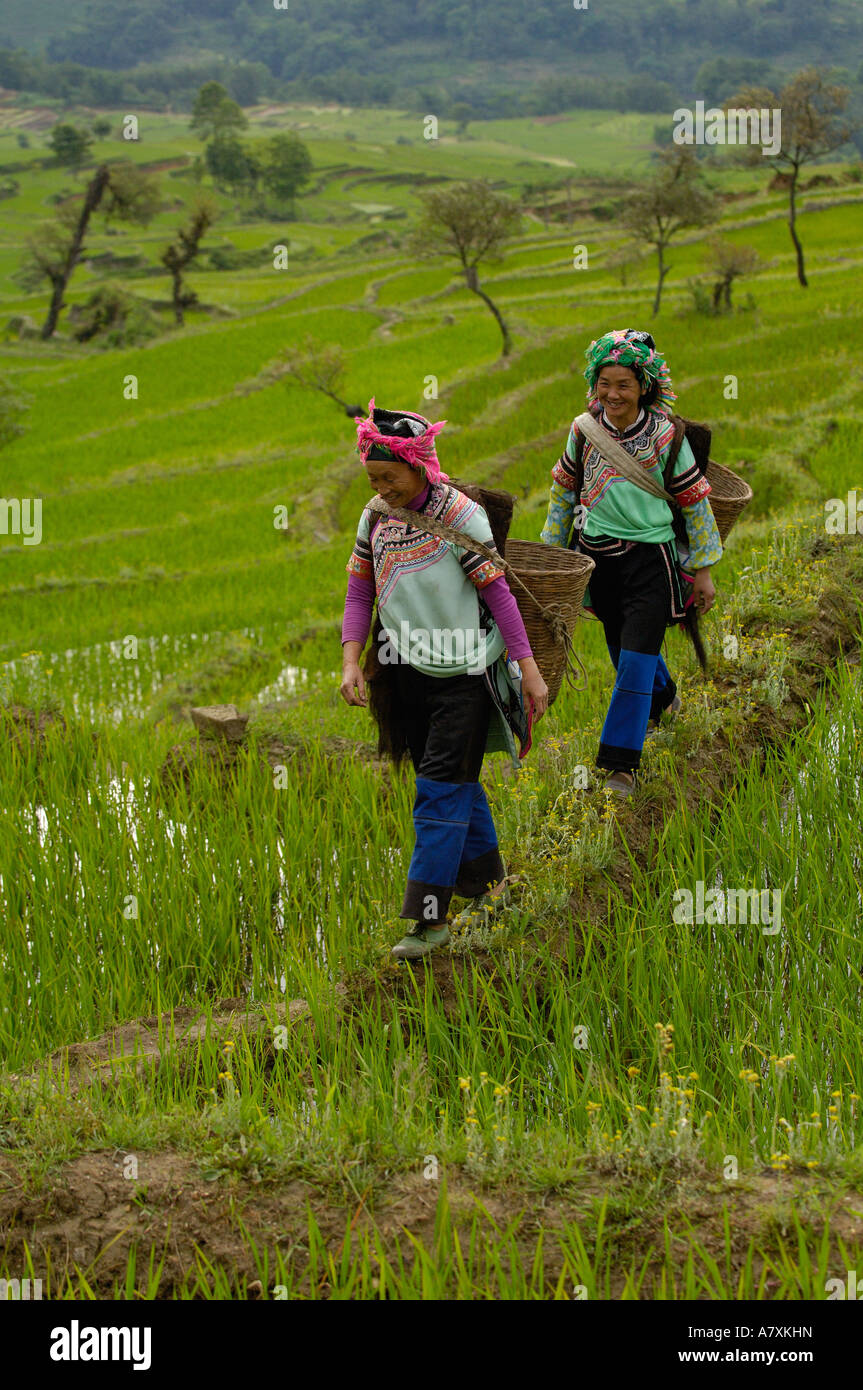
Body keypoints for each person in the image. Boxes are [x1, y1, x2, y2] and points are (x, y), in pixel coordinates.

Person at [341, 400, 548, 959]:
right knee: (454, 779)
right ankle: (490, 887)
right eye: (374, 478)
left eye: (391, 477)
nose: (383, 487)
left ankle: (428, 919)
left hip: (467, 672)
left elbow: (498, 595)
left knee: (437, 787)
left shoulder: (459, 515)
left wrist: (528, 671)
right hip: (407, 670)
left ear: (420, 466)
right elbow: (360, 591)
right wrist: (350, 659)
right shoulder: (374, 517)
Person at [540, 329, 723, 796]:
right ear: (593, 383)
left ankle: (621, 766)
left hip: (651, 563)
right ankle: (668, 699)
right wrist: (554, 560)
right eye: (604, 383)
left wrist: (702, 570)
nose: (613, 394)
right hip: (599, 562)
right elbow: (562, 497)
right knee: (625, 655)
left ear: (643, 385)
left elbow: (695, 502)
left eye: (623, 384)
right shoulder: (583, 432)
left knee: (635, 662)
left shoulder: (666, 435)